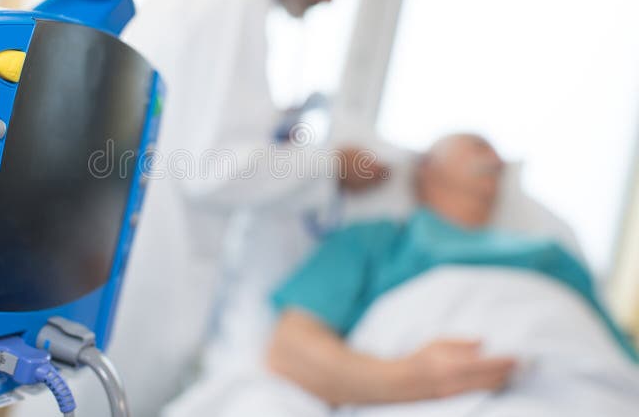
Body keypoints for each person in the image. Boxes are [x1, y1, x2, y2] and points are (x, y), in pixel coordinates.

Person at [108, 0, 383, 416]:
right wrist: (330, 166)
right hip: (147, 279)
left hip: (127, 260)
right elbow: (214, 169)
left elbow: (195, 135)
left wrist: (272, 132)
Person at [266, 134, 638, 409]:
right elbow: (291, 349)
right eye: (477, 146)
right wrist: (411, 379)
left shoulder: (552, 254)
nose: (496, 160)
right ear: (426, 165)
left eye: (497, 154)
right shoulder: (377, 240)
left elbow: (615, 356)